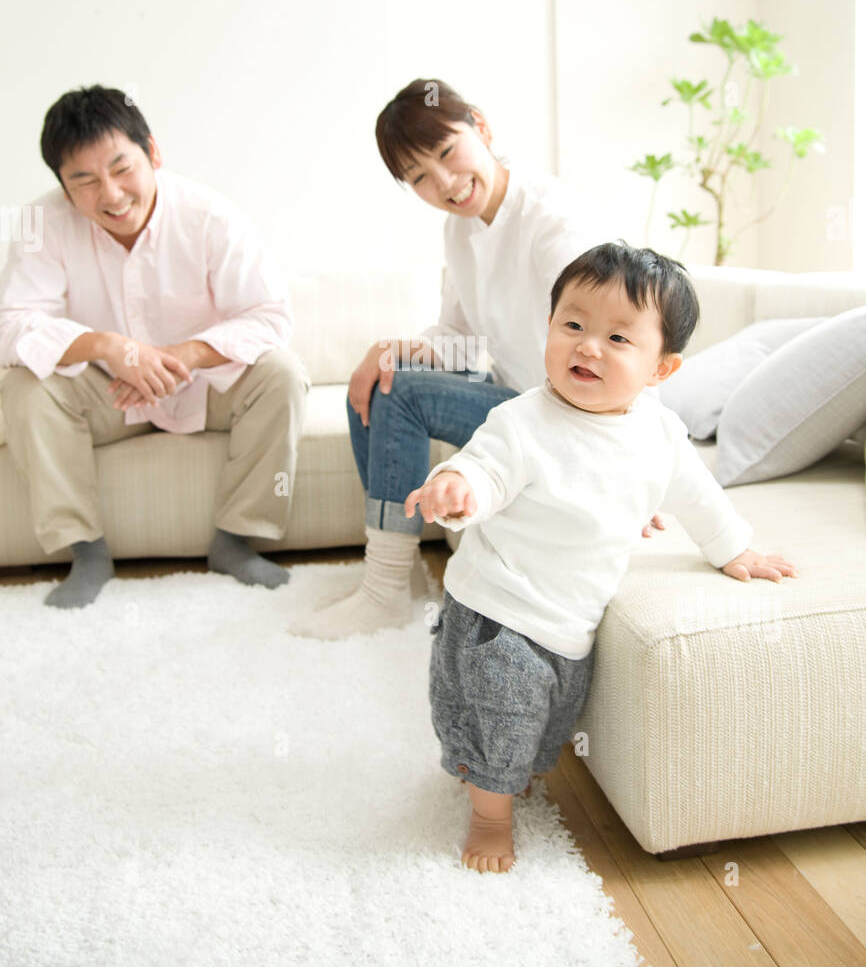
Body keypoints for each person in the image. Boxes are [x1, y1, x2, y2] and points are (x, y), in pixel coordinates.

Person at [405, 242, 798, 874]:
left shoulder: (659, 434)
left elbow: (698, 497)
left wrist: (736, 549)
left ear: (661, 369)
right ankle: (487, 814)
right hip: (497, 610)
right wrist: (456, 490)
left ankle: (504, 772)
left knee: (547, 726)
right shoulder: (522, 421)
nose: (588, 346)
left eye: (618, 337)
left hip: (571, 623)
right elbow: (486, 470)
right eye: (573, 325)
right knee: (495, 722)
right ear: (551, 326)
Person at [291, 78, 662, 640]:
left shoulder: (552, 222)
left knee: (401, 391)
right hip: (519, 397)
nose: (443, 182)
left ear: (481, 128)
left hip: (569, 417)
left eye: (446, 153)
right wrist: (388, 350)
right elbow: (459, 337)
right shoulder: (459, 231)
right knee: (379, 378)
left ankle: (384, 590)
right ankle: (396, 573)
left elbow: (619, 342)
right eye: (419, 177)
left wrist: (628, 466)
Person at [0, 85, 310, 608]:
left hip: (201, 385)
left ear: (154, 154)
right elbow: (12, 326)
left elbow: (270, 316)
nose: (112, 195)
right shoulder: (40, 223)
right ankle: (85, 551)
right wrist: (106, 346)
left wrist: (187, 355)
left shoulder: (210, 215)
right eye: (85, 180)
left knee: (281, 373)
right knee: (26, 387)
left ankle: (236, 540)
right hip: (107, 393)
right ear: (63, 187)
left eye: (123, 169)